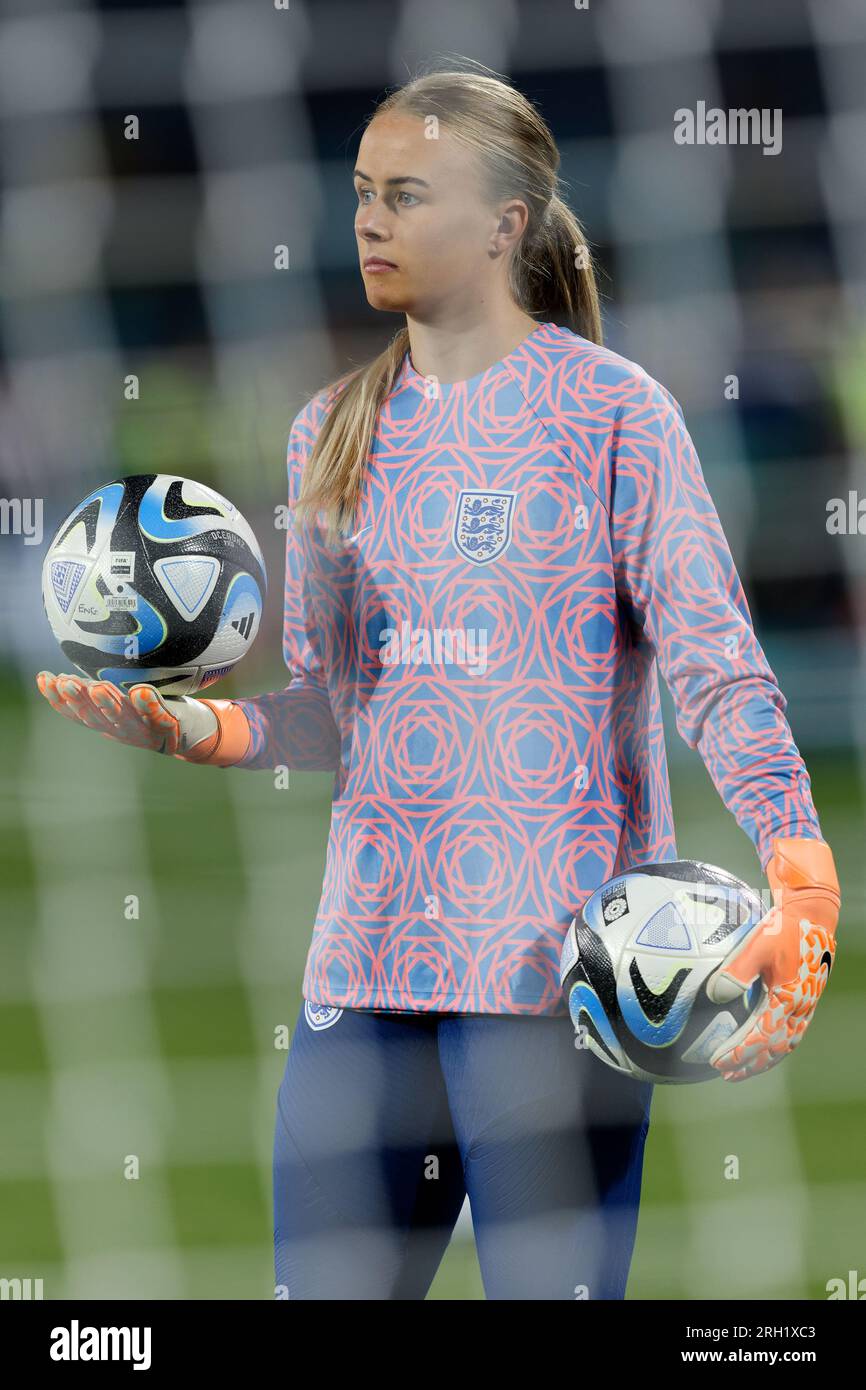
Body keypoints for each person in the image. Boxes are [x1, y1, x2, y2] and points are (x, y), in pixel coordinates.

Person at [37, 62, 840, 1300]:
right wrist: (197, 729)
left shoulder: (617, 418)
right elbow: (330, 707)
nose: (366, 219)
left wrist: (797, 861)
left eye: (405, 194)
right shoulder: (332, 427)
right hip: (361, 972)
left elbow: (715, 667)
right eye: (361, 191)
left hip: (556, 982)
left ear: (505, 225)